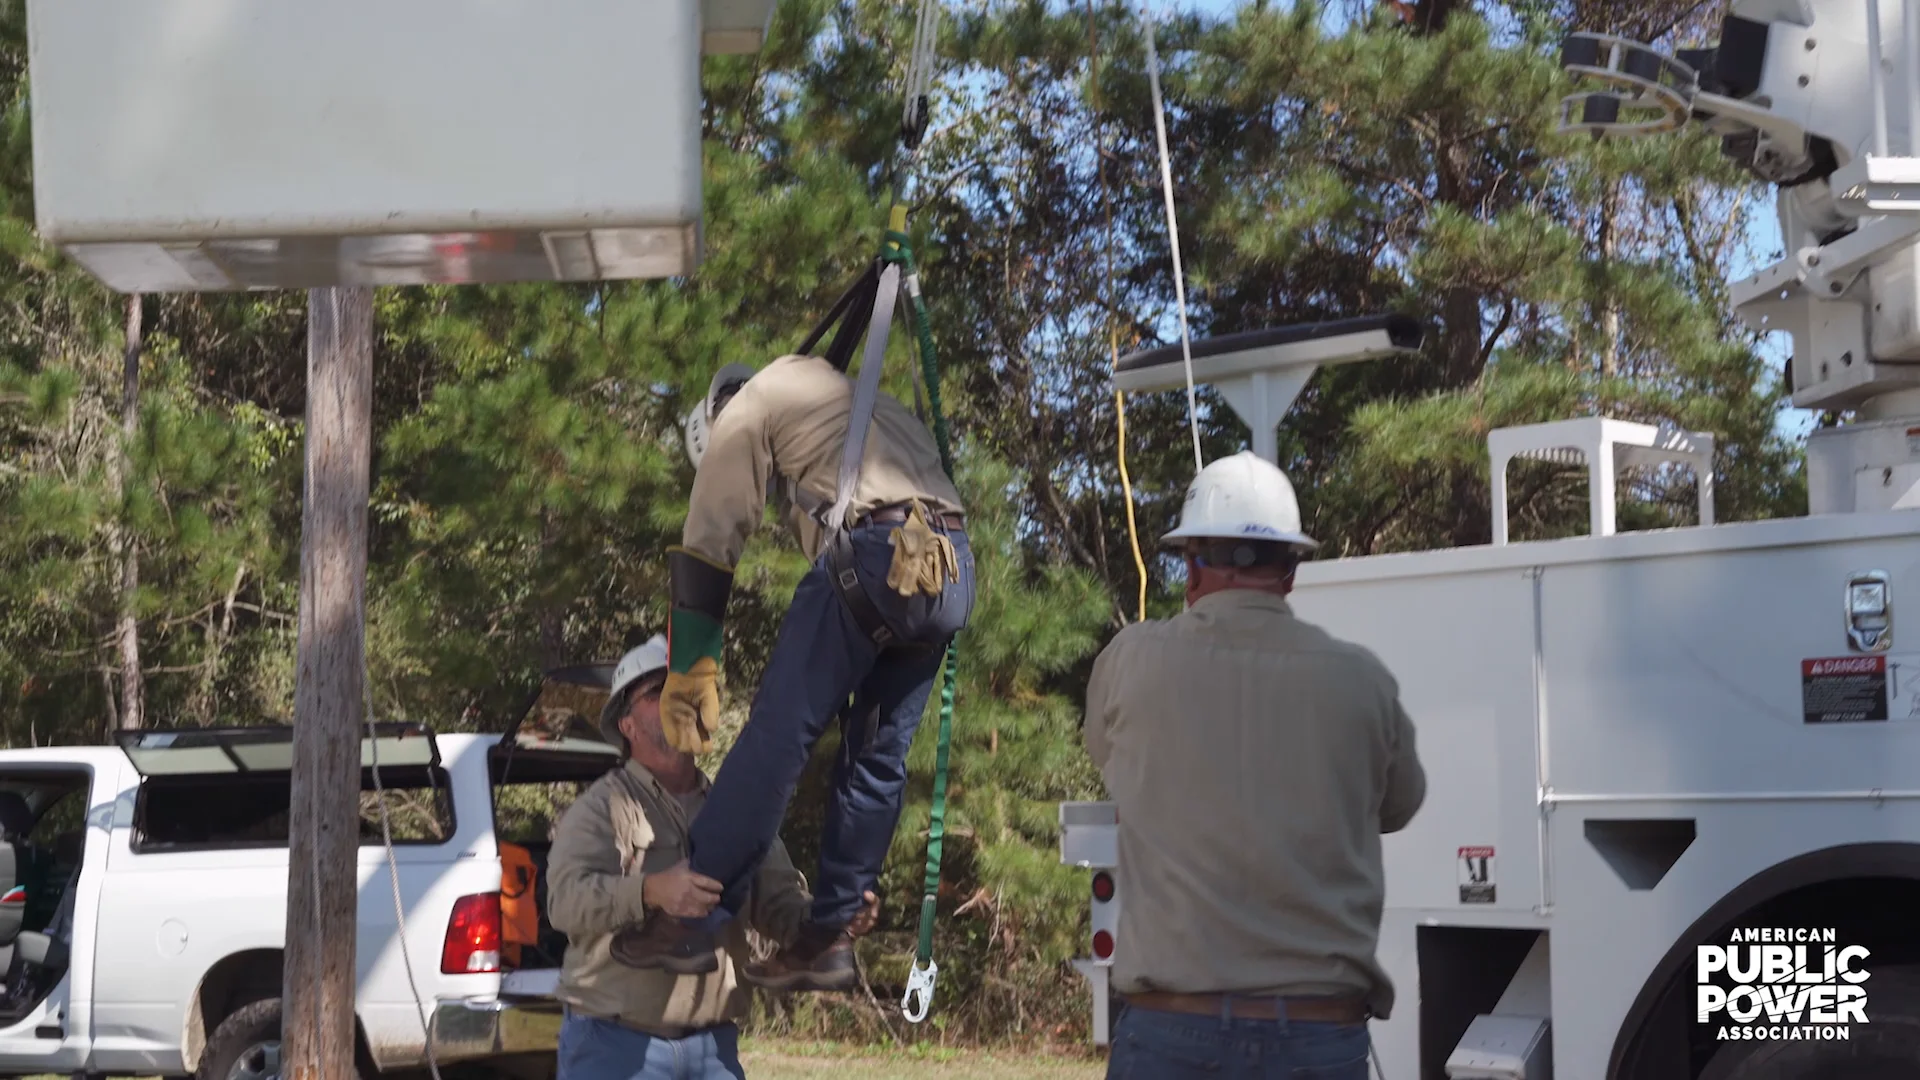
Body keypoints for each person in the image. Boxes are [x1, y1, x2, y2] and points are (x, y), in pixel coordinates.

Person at [611, 354, 974, 992]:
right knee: (876, 760)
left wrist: (693, 662)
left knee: (775, 743)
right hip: (949, 575)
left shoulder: (747, 407)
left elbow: (711, 533)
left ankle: (689, 919)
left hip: (878, 559)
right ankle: (826, 937)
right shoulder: (844, 405)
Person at [1081, 451, 1427, 1079]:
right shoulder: (1362, 679)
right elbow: (1400, 805)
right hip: (1319, 1038)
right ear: (1291, 571)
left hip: (1170, 1033)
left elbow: (1106, 755)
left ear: (1191, 566)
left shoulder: (1131, 660)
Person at [546, 635, 882, 1080]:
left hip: (714, 1050)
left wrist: (835, 919)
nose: (677, 698)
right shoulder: (602, 806)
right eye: (657, 691)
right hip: (616, 1045)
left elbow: (780, 908)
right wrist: (650, 890)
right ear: (626, 724)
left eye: (684, 687)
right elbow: (564, 903)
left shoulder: (736, 807)